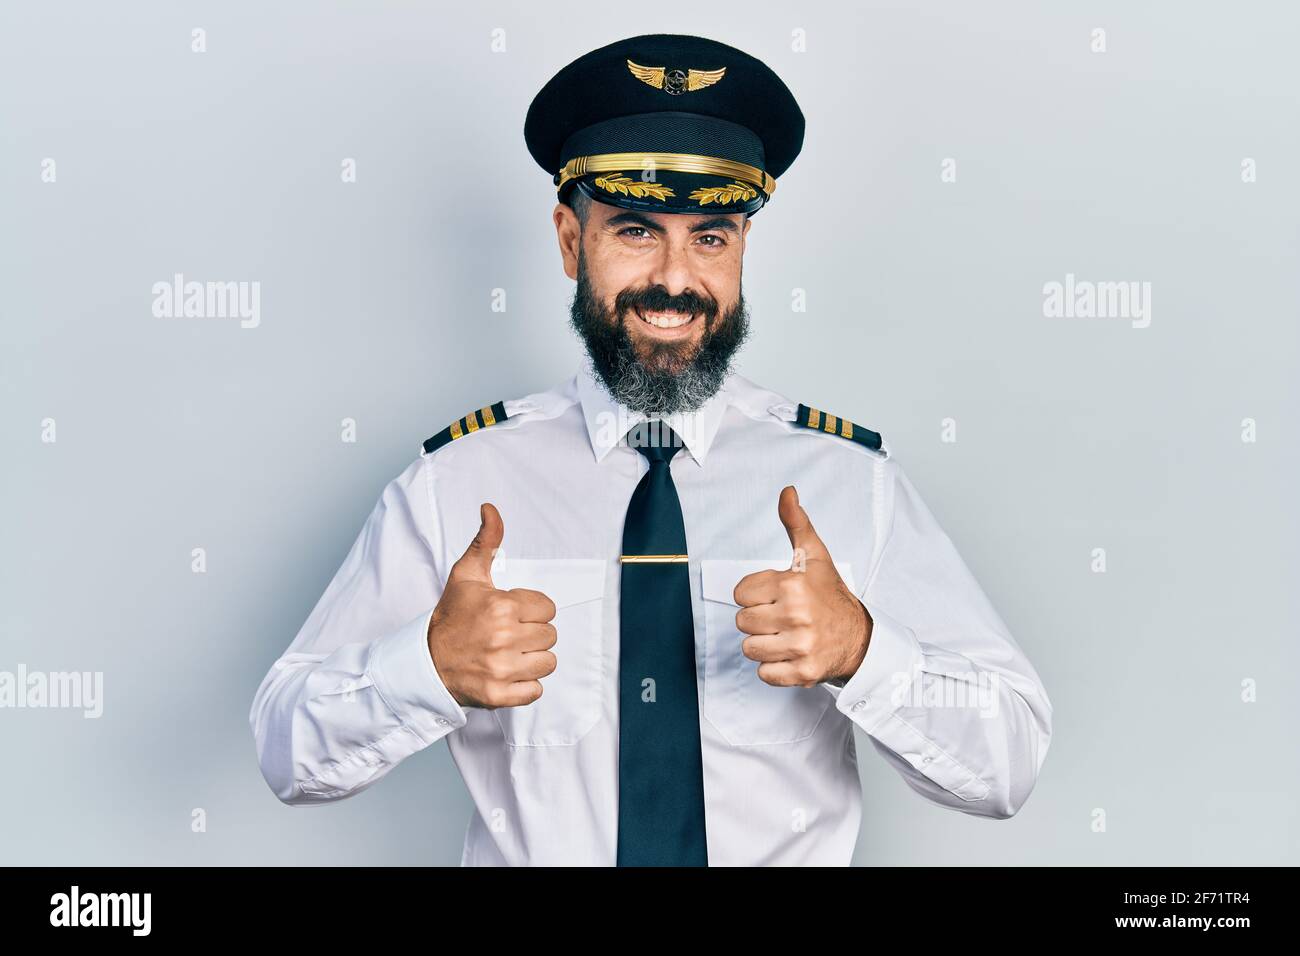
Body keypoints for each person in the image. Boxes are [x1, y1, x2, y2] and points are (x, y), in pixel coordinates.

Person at [249, 33, 1052, 866]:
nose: (675, 279)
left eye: (711, 237)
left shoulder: (849, 483)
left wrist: (863, 651)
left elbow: (1009, 764)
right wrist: (424, 666)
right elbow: (287, 751)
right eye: (635, 229)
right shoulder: (456, 483)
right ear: (570, 241)